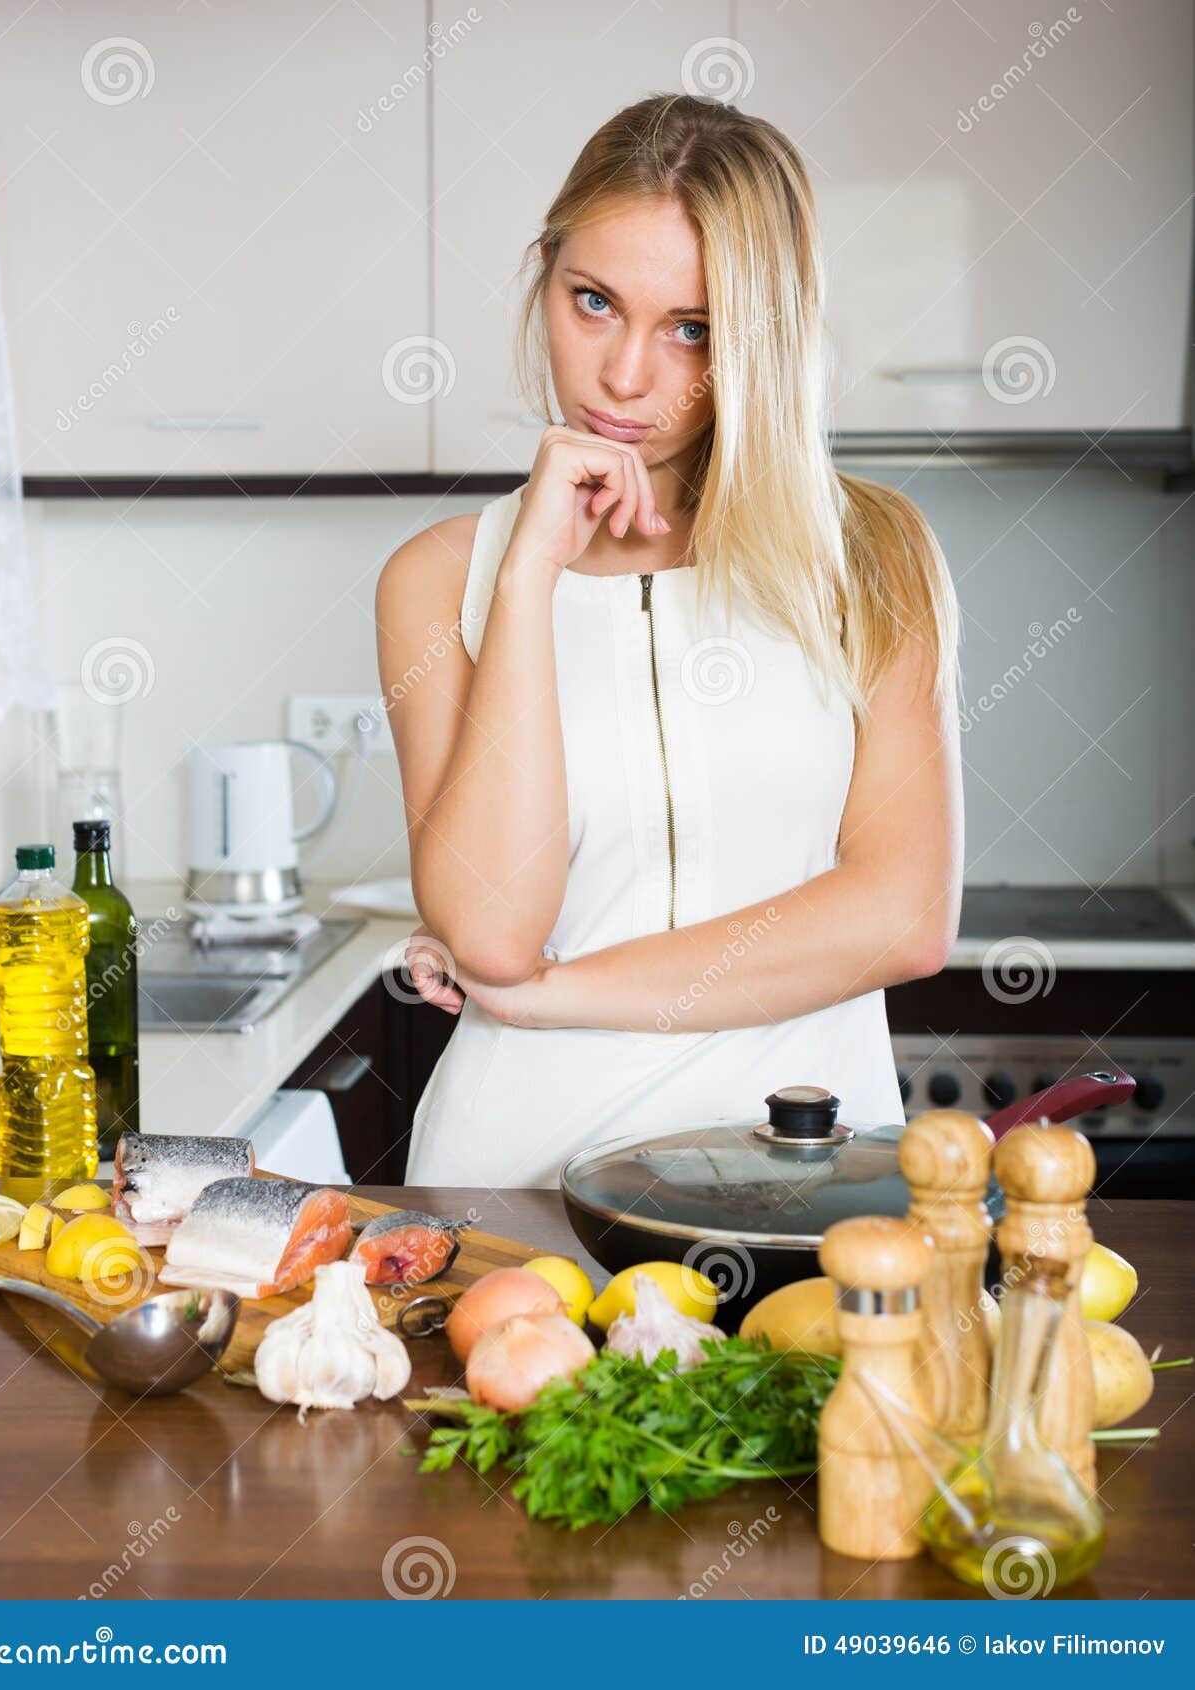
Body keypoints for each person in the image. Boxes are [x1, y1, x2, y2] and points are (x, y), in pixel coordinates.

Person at [375, 93, 963, 1190]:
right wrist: (530, 573)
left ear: (760, 334)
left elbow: (901, 916)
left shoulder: (871, 555)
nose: (626, 376)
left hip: (811, 1190)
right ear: (543, 274)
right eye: (591, 301)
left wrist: (554, 993)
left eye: (691, 327)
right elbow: (495, 930)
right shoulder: (439, 577)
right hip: (515, 1190)